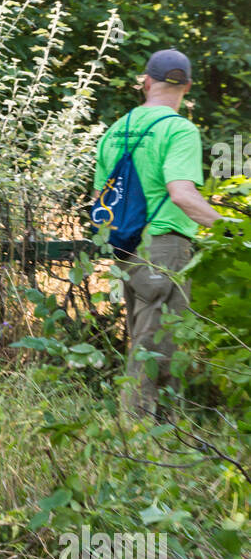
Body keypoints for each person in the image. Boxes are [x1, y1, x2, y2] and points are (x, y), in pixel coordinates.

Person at [93, 48, 220, 415]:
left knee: (144, 338)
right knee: (158, 349)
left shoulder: (116, 130)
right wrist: (230, 231)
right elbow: (182, 194)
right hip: (165, 248)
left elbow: (102, 201)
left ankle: (157, 438)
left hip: (126, 248)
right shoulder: (179, 130)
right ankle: (141, 438)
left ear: (146, 83)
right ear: (188, 86)